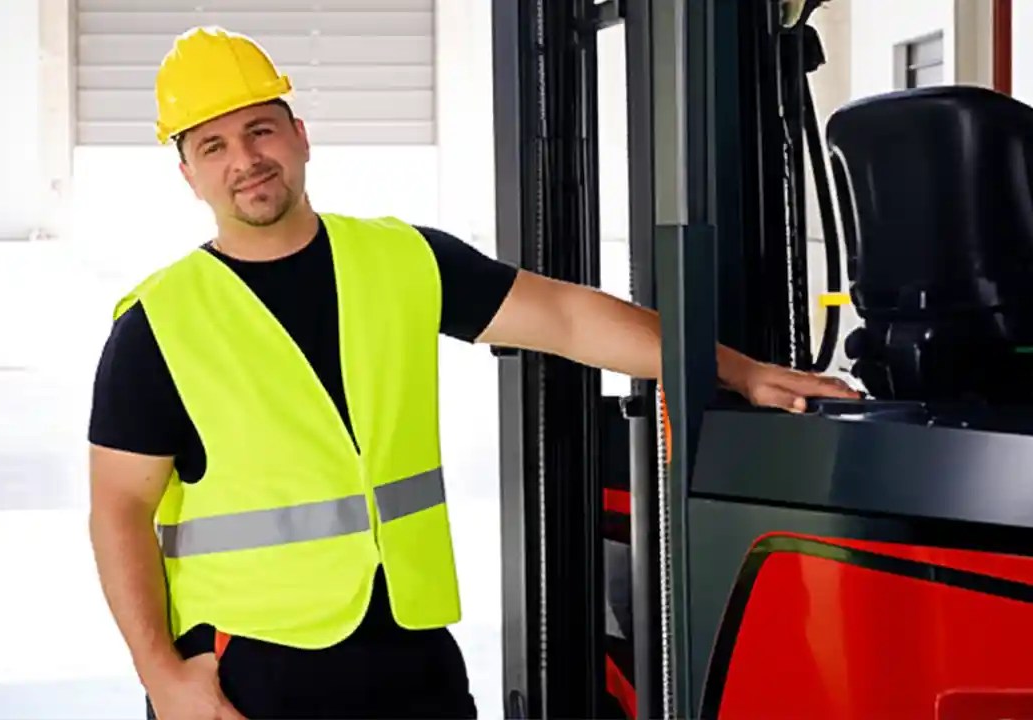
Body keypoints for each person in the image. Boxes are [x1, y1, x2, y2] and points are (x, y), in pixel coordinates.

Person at [86, 26, 859, 720]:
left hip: (409, 651)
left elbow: (565, 318)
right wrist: (162, 676)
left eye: (260, 130)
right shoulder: (159, 323)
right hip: (250, 667)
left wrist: (734, 370)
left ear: (300, 136)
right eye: (213, 146)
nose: (246, 160)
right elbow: (120, 509)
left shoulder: (401, 258)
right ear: (188, 174)